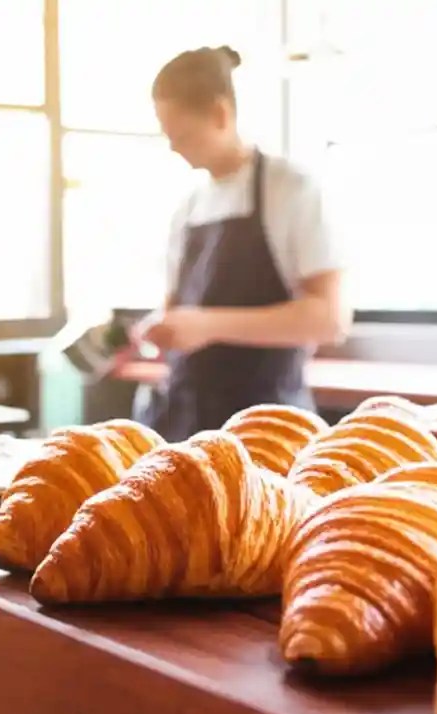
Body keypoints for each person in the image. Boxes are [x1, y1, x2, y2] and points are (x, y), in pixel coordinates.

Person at [133, 45, 349, 442]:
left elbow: (329, 318)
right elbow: (175, 311)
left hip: (269, 430)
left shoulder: (290, 189)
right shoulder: (187, 209)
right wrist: (156, 330)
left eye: (182, 134)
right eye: (168, 136)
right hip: (186, 427)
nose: (174, 147)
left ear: (220, 114)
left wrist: (208, 325)